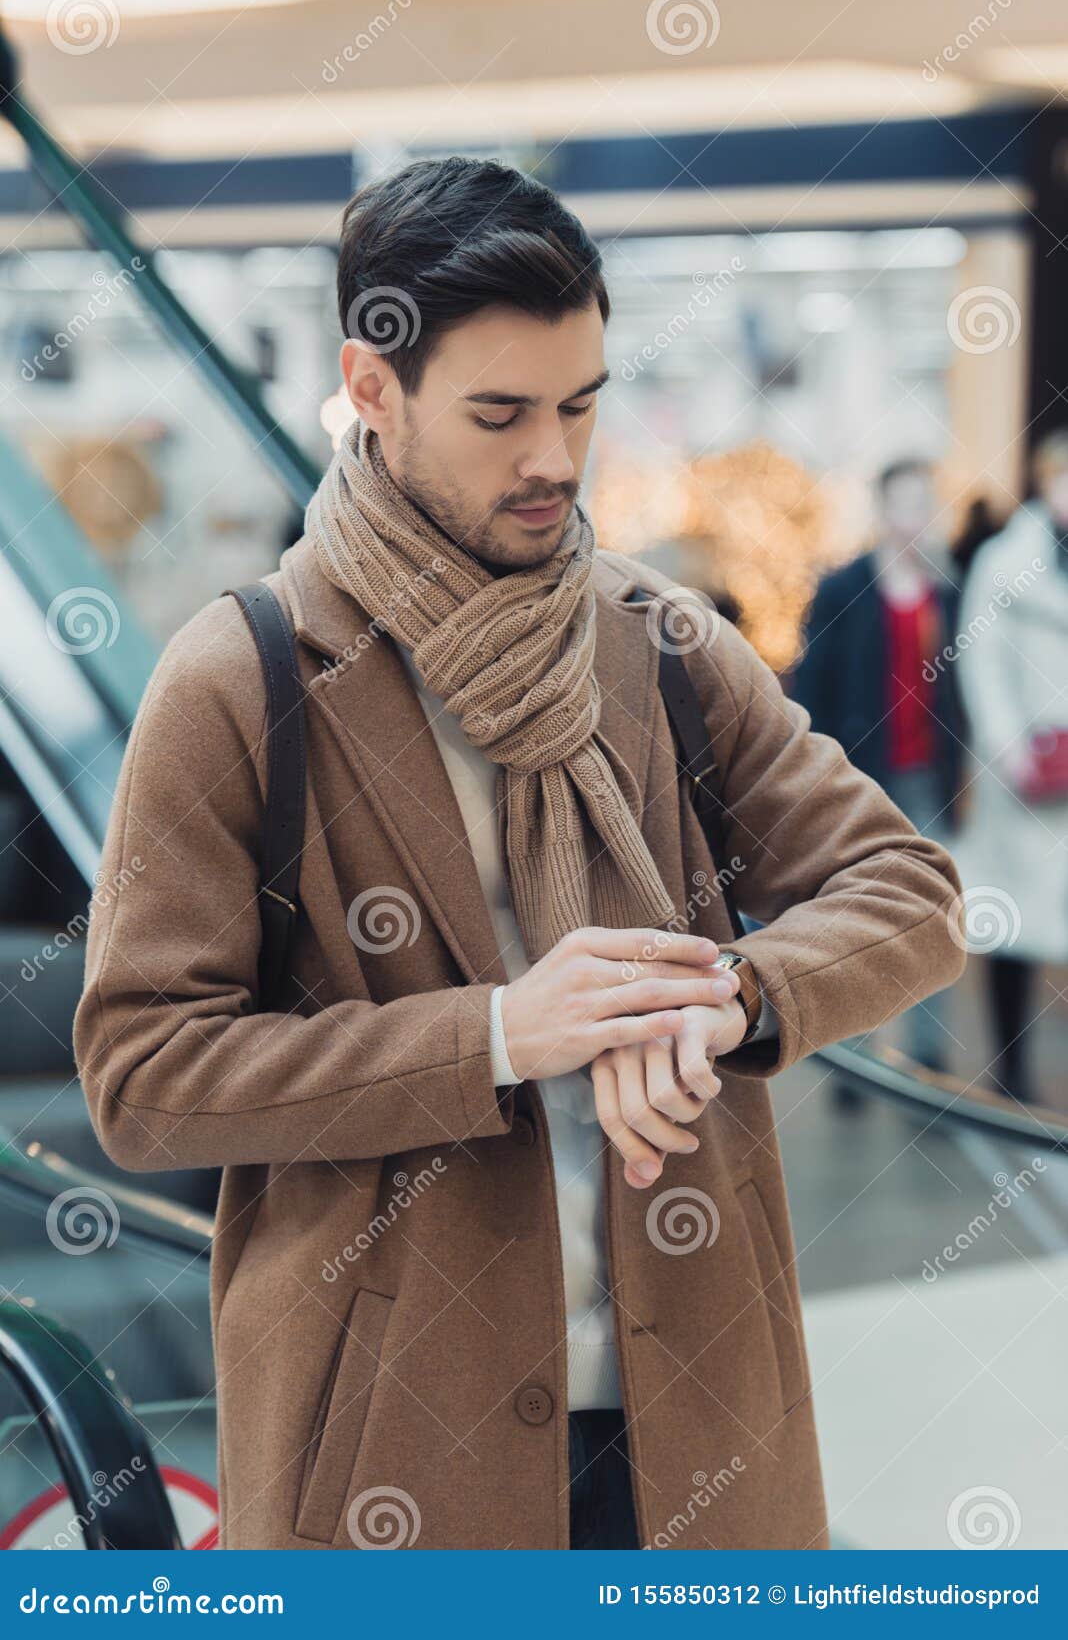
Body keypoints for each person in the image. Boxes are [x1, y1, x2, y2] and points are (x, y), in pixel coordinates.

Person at [73, 156, 965, 1553]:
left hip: (698, 1427)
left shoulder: (659, 643)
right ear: (375, 390)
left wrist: (725, 990)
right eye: (501, 413)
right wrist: (494, 1032)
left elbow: (908, 888)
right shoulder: (239, 677)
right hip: (387, 1444)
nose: (554, 456)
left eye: (580, 404)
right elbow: (143, 1075)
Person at [790, 458, 963, 1071]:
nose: (917, 517)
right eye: (905, 503)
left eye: (926, 503)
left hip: (928, 776)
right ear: (883, 510)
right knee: (857, 914)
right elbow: (811, 689)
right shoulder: (844, 588)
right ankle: (855, 1055)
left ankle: (928, 1054)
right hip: (862, 776)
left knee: (936, 911)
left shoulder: (949, 591)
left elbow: (961, 693)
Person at [952, 429, 1068, 1103]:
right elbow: (982, 661)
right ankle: (1011, 1067)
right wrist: (1008, 749)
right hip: (1022, 773)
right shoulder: (1006, 560)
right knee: (1013, 924)